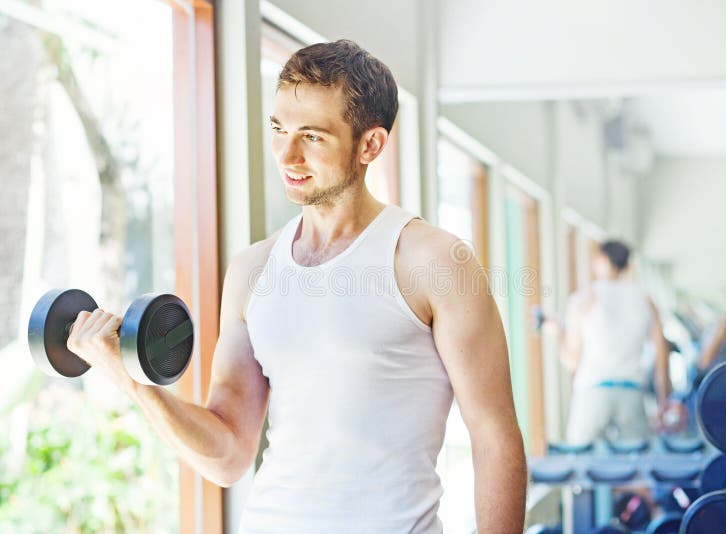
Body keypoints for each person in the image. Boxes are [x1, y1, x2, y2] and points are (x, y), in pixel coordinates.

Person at [63, 40, 527, 533]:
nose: (287, 154)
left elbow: (495, 437)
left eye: (312, 136)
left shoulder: (433, 261)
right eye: (279, 130)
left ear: (370, 145)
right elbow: (227, 455)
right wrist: (130, 379)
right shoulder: (252, 270)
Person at [559, 240, 671, 444]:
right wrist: (664, 400)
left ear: (601, 260)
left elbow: (572, 361)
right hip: (631, 393)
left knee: (581, 464)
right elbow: (661, 353)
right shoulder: (645, 300)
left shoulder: (584, 300)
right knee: (636, 465)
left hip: (593, 391)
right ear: (626, 265)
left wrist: (557, 333)